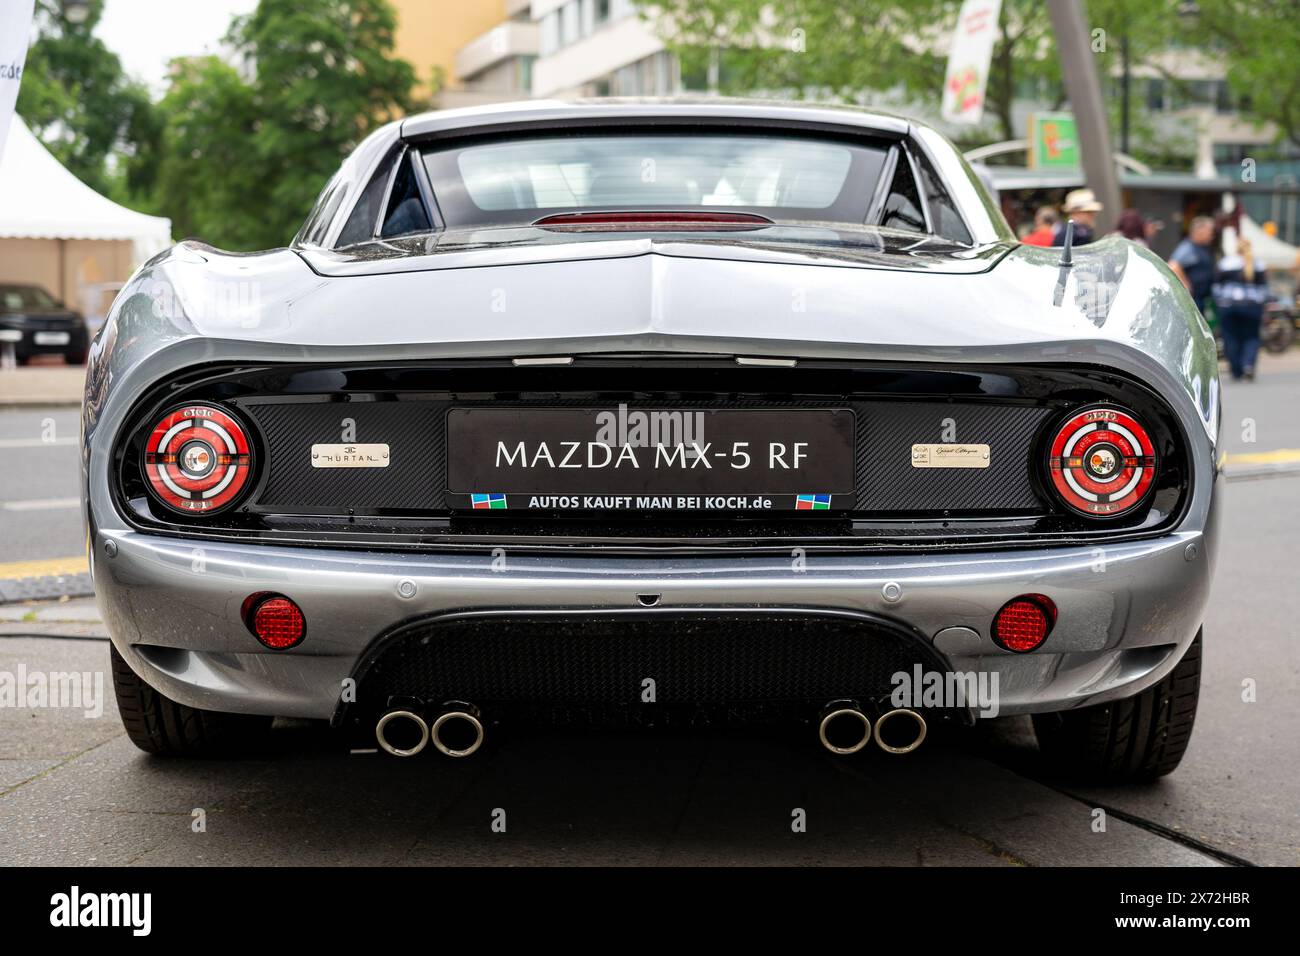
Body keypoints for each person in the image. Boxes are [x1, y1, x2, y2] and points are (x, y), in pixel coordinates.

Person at [1213, 237, 1270, 381]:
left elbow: (1216, 286)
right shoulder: (1258, 264)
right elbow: (1264, 289)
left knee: (1230, 337)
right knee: (1251, 337)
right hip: (1251, 306)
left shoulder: (1226, 263)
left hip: (1229, 306)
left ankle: (1236, 369)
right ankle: (1248, 365)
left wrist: (1220, 301)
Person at [1169, 216, 1217, 315]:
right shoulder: (1188, 247)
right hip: (1194, 300)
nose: (1212, 235)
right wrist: (1186, 286)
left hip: (1203, 299)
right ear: (1199, 231)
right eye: (1209, 231)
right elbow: (1173, 265)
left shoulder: (1202, 247)